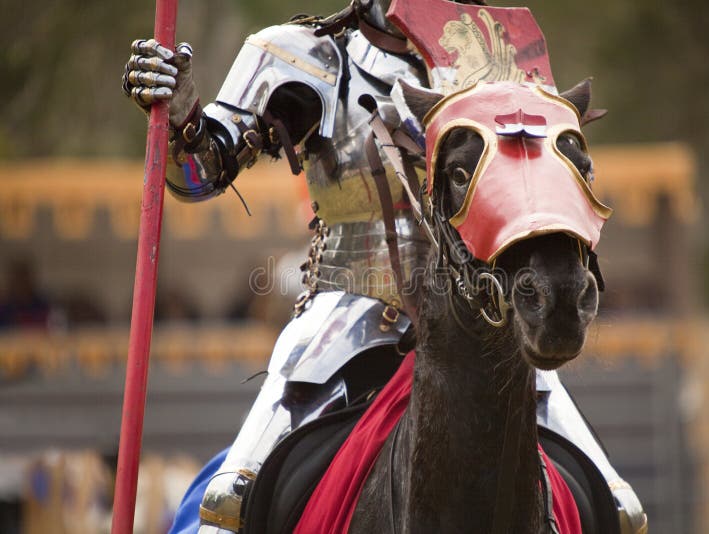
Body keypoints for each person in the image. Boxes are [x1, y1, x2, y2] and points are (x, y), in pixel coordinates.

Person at [123, 1, 646, 532]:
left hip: (487, 316)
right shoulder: (303, 56)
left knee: (622, 510)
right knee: (228, 503)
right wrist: (183, 115)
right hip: (347, 309)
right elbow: (199, 178)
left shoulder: (496, 64)